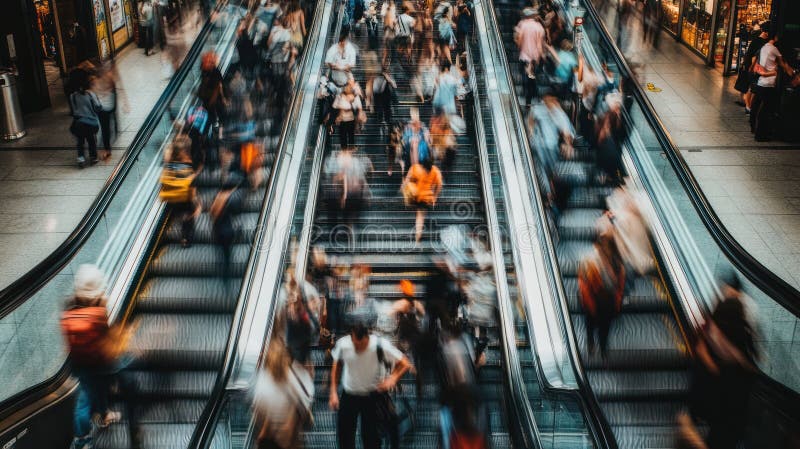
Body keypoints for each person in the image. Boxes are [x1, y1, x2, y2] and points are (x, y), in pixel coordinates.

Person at [62, 265, 141, 449]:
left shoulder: (70, 305)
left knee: (85, 398)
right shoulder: (102, 306)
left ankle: (82, 439)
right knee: (104, 386)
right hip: (102, 363)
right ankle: (106, 416)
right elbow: (109, 338)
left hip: (80, 363)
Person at [328, 322, 412, 449]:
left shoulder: (380, 345)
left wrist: (393, 378)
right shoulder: (344, 345)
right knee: (345, 438)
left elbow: (405, 363)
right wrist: (333, 392)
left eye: (361, 345)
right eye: (355, 344)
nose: (358, 349)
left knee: (371, 439)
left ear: (367, 337)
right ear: (351, 338)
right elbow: (337, 365)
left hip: (372, 397)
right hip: (349, 395)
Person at [253, 338, 313, 449]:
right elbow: (305, 405)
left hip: (274, 440)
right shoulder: (301, 376)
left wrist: (264, 433)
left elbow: (263, 413)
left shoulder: (262, 383)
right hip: (291, 439)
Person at [577, 227, 625, 356]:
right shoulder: (588, 261)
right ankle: (590, 342)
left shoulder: (616, 263)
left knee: (605, 329)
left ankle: (603, 348)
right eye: (601, 245)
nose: (604, 250)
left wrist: (617, 302)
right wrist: (591, 307)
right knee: (590, 325)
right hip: (590, 302)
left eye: (607, 246)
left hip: (608, 303)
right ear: (596, 245)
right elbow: (583, 287)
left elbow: (620, 285)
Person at [750, 31, 794, 141]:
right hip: (768, 84)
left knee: (756, 107)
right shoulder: (774, 49)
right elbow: (784, 64)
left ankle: (754, 129)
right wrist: (792, 72)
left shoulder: (763, 47)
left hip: (760, 82)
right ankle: (760, 135)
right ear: (776, 38)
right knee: (766, 110)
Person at [91, 59, 129, 161]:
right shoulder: (109, 76)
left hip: (103, 107)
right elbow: (119, 89)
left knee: (105, 128)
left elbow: (93, 93)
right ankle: (107, 149)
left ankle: (106, 148)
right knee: (107, 128)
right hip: (106, 106)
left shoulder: (98, 80)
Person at [210, 172, 244, 281]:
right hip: (227, 231)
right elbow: (236, 212)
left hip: (217, 230)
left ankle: (222, 270)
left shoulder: (218, 195)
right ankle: (226, 273)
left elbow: (212, 213)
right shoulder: (232, 198)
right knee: (227, 253)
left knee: (222, 251)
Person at [403, 157, 443, 243]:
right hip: (427, 198)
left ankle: (418, 236)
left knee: (419, 216)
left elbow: (407, 180)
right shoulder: (435, 171)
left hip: (416, 195)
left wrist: (408, 187)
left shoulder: (416, 168)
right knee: (420, 216)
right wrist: (435, 197)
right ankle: (418, 236)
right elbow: (439, 185)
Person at [514, 7, 546, 108]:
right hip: (535, 57)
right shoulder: (539, 27)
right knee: (532, 77)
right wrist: (541, 56)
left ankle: (527, 98)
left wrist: (519, 47)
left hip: (524, 56)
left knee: (525, 77)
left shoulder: (522, 24)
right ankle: (532, 98)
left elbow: (518, 40)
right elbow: (540, 45)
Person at [69, 74, 103, 168]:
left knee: (80, 141)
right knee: (91, 140)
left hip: (79, 122)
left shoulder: (73, 96)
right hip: (91, 122)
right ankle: (93, 157)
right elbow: (98, 106)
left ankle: (81, 158)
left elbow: (73, 111)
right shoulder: (91, 94)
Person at [333, 81, 364, 149]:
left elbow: (359, 107)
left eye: (349, 87)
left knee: (351, 134)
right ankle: (344, 148)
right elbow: (334, 106)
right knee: (343, 135)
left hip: (351, 119)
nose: (348, 89)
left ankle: (351, 146)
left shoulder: (355, 97)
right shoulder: (339, 96)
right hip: (342, 120)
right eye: (346, 87)